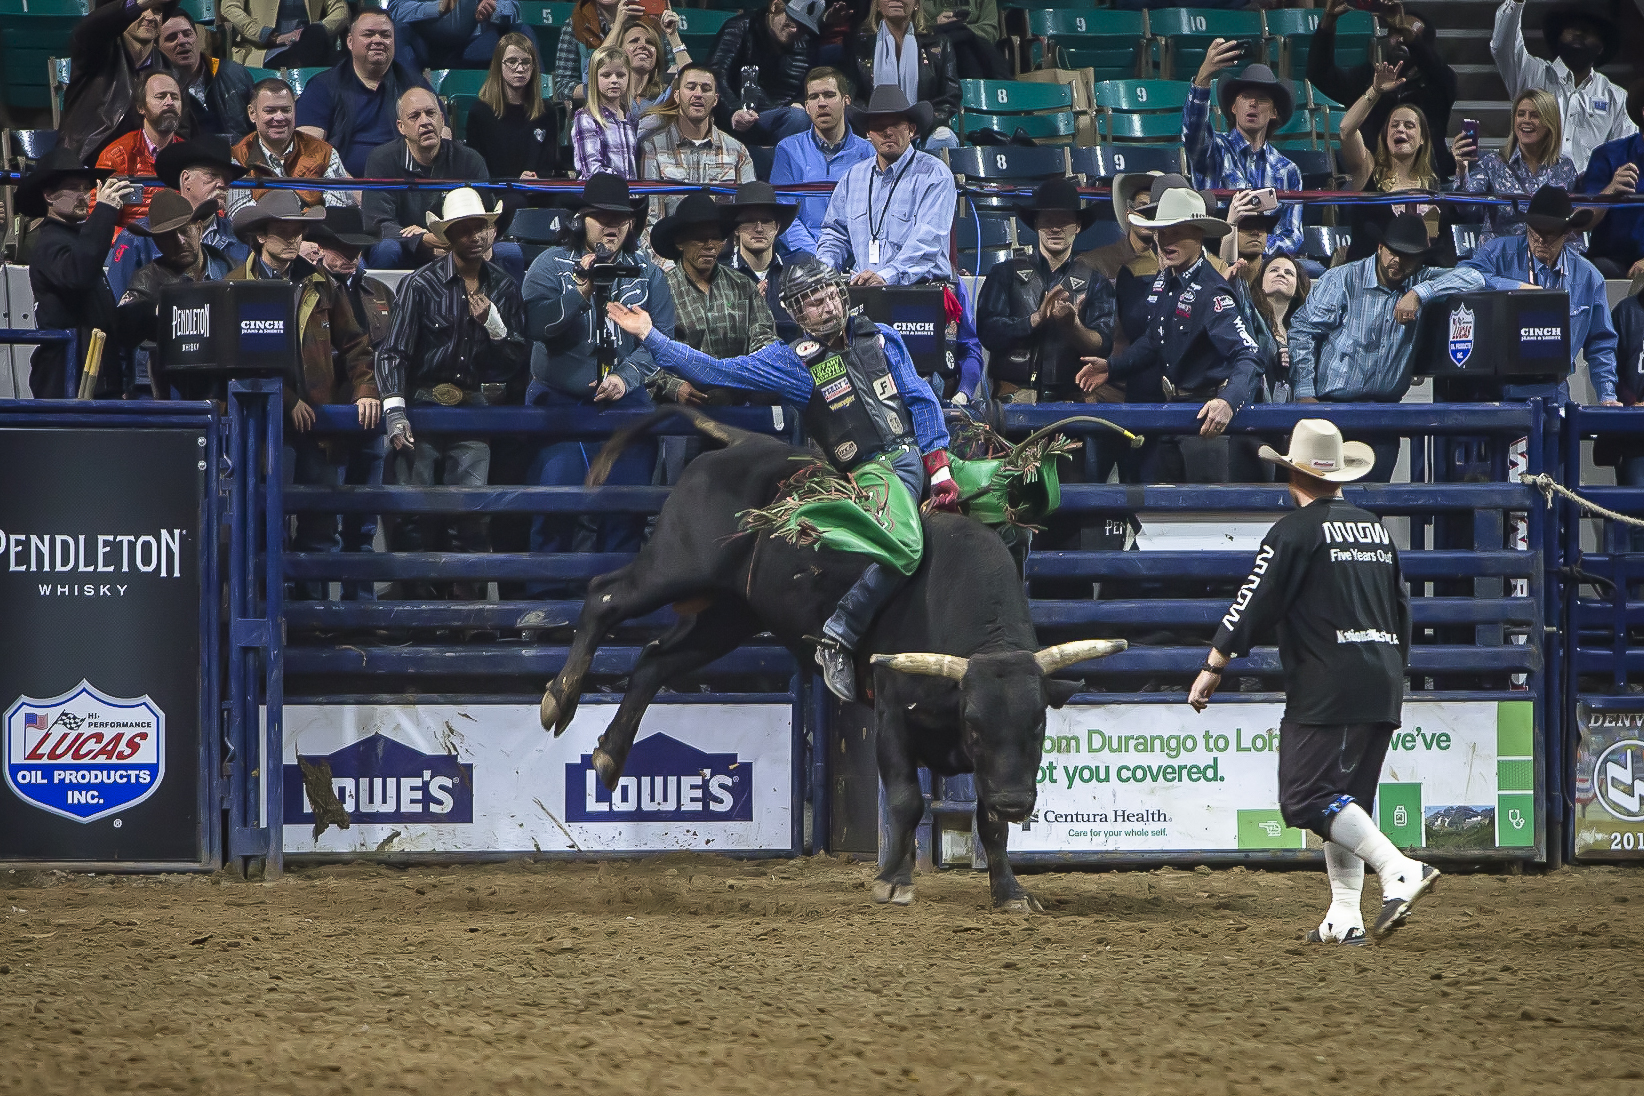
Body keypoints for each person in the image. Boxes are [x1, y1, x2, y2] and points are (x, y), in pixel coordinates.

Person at [604, 254, 957, 701]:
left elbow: (921, 399)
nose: (827, 306)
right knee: (906, 544)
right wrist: (652, 336)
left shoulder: (883, 337)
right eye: (813, 302)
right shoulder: (792, 362)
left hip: (919, 453)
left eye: (830, 294)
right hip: (871, 474)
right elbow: (717, 370)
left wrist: (940, 467)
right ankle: (840, 634)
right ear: (795, 314)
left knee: (1009, 488)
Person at [1190, 419, 1435, 944]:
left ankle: (1399, 870)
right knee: (1343, 803)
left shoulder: (1293, 533)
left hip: (1329, 684)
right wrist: (1393, 672)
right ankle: (1346, 914)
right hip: (1383, 677)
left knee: (1305, 798)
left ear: (1292, 475)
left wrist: (1214, 665)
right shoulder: (1374, 527)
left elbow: (1252, 601)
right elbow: (1402, 609)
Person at [377, 188, 529, 601]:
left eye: (481, 228)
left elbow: (515, 362)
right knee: (414, 517)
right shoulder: (420, 284)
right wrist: (395, 410)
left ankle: (470, 614)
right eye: (465, 230)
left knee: (472, 515)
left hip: (474, 406)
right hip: (423, 406)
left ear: (491, 232)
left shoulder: (505, 288)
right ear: (449, 237)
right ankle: (416, 610)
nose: (475, 237)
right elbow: (393, 352)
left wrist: (494, 325)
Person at [521, 173, 674, 570]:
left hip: (626, 401)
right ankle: (548, 608)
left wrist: (626, 378)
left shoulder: (650, 273)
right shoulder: (548, 265)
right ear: (580, 220)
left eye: (620, 218)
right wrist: (580, 290)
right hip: (560, 401)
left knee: (628, 509)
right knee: (556, 504)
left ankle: (614, 605)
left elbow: (660, 343)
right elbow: (537, 327)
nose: (611, 224)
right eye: (601, 216)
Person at [1074, 185, 1263, 484]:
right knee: (1155, 516)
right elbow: (1153, 339)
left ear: (1199, 235)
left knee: (1204, 519)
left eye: (1177, 232)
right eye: (1162, 231)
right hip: (1168, 417)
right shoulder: (1166, 280)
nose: (1165, 240)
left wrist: (1227, 401)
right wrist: (1111, 367)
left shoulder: (1213, 292)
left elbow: (1249, 355)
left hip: (1203, 423)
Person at [1288, 214, 1475, 480]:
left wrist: (1420, 294)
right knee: (1324, 503)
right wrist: (1305, 393)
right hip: (1331, 410)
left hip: (1383, 416)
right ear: (1380, 247)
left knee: (1373, 507)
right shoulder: (1342, 279)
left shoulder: (1421, 281)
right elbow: (1303, 331)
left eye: (1408, 255)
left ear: (1421, 258)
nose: (1398, 260)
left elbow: (1477, 277)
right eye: (1393, 252)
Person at [1431, 186, 1620, 406]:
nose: (1540, 239)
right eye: (1534, 231)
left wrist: (1607, 395)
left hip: (1554, 387)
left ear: (1567, 233)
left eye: (1549, 233)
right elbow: (1464, 274)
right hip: (1496, 387)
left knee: (1558, 434)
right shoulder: (1499, 252)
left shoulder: (1588, 277)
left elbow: (1601, 343)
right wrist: (1513, 287)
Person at [977, 177, 1114, 404]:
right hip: (1011, 400)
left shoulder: (1096, 282)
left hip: (1070, 403)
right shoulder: (1003, 274)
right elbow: (988, 333)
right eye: (1048, 219)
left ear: (1078, 226)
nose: (1055, 228)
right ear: (1036, 224)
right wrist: (1035, 319)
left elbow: (1104, 344)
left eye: (1065, 220)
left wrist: (1074, 327)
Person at [19, 150, 137, 400]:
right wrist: (104, 211)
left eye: (86, 189)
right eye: (74, 188)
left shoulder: (80, 239)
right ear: (49, 195)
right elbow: (78, 274)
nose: (84, 197)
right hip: (66, 379)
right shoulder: (49, 242)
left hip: (98, 377)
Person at [648, 189, 779, 408]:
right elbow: (648, 353)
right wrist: (673, 386)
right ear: (680, 242)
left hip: (739, 397)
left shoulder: (742, 286)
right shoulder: (661, 290)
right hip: (682, 405)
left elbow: (764, 337)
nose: (710, 245)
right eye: (700, 238)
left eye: (716, 238)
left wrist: (756, 371)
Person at [815, 86, 956, 286]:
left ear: (911, 129)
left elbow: (928, 241)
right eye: (879, 126)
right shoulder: (853, 178)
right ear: (868, 133)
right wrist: (823, 272)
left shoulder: (934, 175)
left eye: (895, 124)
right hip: (866, 289)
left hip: (919, 290)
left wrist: (888, 276)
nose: (887, 131)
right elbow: (835, 235)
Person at [107, 137, 253, 320]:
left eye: (227, 178)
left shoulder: (239, 237)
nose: (223, 184)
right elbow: (115, 313)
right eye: (213, 175)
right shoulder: (135, 239)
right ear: (186, 179)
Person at [1308, 0, 1455, 177]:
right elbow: (1319, 73)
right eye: (1395, 32)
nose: (1400, 39)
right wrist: (1328, 21)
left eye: (1407, 34)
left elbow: (1436, 69)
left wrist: (1410, 36)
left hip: (1427, 176)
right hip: (1373, 176)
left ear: (1425, 46)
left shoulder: (1439, 84)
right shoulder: (1367, 78)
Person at [114, 189, 235, 399]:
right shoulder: (146, 281)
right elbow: (122, 329)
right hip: (166, 394)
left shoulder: (231, 271)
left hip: (221, 389)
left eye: (184, 231)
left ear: (198, 228)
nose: (180, 242)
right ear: (157, 242)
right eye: (167, 237)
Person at [1184, 48, 1304, 258]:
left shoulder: (1288, 171)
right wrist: (1203, 78)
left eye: (1262, 98)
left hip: (1264, 264)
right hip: (1213, 259)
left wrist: (1255, 252)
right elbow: (1193, 133)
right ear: (1233, 107)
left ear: (1275, 112)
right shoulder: (1214, 150)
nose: (1253, 103)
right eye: (1245, 96)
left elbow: (1292, 233)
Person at [1492, 0, 1636, 173]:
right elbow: (1502, 47)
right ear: (1558, 36)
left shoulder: (1617, 98)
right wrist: (1516, 2)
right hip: (1533, 191)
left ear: (1601, 47)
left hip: (1591, 195)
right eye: (1571, 27)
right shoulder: (1532, 74)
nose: (1578, 33)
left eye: (1589, 30)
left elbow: (1623, 156)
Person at [361, 88, 494, 270]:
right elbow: (378, 224)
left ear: (441, 119)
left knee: (510, 253)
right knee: (386, 248)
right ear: (401, 127)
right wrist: (422, 239)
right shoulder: (381, 159)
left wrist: (454, 241)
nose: (425, 122)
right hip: (406, 247)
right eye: (415, 116)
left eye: (430, 113)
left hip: (459, 244)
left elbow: (486, 216)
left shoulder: (469, 160)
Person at [1337, 66, 1454, 265]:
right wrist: (1375, 90)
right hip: (1369, 276)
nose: (1400, 129)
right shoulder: (1368, 169)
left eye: (1409, 126)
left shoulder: (1432, 184)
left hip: (1420, 279)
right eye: (1394, 125)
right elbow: (1345, 130)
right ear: (1386, 135)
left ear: (1422, 138)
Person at [295, 10, 433, 177]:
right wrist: (352, 189)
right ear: (350, 42)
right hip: (342, 190)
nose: (377, 40)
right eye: (368, 34)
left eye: (385, 35)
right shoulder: (322, 87)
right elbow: (307, 151)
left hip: (406, 187)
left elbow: (443, 138)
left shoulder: (414, 85)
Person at [1452, 88, 1581, 246]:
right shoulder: (1492, 162)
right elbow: (1468, 209)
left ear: (1550, 123)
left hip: (1548, 254)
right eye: (1521, 114)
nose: (1526, 120)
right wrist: (1462, 169)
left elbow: (1572, 224)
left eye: (1535, 115)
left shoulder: (1564, 167)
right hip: (1501, 256)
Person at [772, 67, 874, 254]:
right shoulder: (787, 150)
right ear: (807, 106)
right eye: (813, 97)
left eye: (829, 95)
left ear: (846, 101)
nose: (821, 103)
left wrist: (839, 254)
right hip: (802, 257)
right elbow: (783, 215)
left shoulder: (869, 153)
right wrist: (819, 256)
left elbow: (872, 217)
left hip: (855, 257)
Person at [637, 64, 757, 223]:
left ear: (715, 99)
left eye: (706, 88)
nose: (698, 94)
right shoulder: (653, 148)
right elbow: (652, 219)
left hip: (722, 244)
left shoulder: (737, 151)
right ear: (677, 96)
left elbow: (747, 214)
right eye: (691, 87)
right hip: (672, 244)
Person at [57, 0, 169, 165]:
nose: (150, 17)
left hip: (147, 171)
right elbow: (88, 30)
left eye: (157, 10)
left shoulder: (168, 68)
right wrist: (136, 5)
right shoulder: (96, 52)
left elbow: (182, 129)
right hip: (88, 166)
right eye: (142, 9)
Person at [230, 78, 355, 217]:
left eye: (286, 110)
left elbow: (339, 209)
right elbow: (240, 213)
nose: (279, 117)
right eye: (270, 111)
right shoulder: (237, 157)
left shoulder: (324, 152)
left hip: (318, 233)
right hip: (262, 235)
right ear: (252, 113)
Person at [847, 0, 960, 149]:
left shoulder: (939, 43)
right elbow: (853, 96)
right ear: (877, 4)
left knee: (944, 139)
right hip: (876, 127)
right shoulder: (858, 45)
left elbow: (951, 95)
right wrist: (874, 123)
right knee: (862, 145)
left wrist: (921, 123)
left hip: (924, 129)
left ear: (917, 4)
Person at [706, 0, 821, 145]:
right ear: (775, 6)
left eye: (804, 27)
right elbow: (715, 75)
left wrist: (801, 101)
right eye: (791, 20)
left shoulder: (808, 41)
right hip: (743, 116)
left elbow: (812, 81)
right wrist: (733, 111)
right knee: (798, 118)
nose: (796, 30)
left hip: (787, 115)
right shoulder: (739, 28)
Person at [467, 33, 562, 183]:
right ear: (499, 65)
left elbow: (549, 163)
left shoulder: (547, 112)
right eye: (512, 61)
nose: (520, 68)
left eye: (526, 62)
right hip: (499, 189)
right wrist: (516, 181)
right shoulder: (480, 112)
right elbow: (478, 168)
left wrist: (536, 179)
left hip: (539, 188)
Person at [722, 181, 810, 343]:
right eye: (750, 220)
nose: (759, 228)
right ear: (736, 228)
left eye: (766, 221)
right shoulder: (720, 277)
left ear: (776, 227)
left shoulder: (797, 273)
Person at [95, 71, 185, 229]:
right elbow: (99, 222)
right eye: (161, 96)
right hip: (132, 248)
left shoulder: (190, 155)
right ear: (141, 107)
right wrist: (136, 244)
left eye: (175, 97)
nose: (170, 102)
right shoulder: (116, 155)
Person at [157, 11, 255, 142]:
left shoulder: (235, 73)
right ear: (157, 48)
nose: (182, 41)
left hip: (237, 157)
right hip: (192, 159)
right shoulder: (159, 89)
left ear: (196, 38)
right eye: (171, 38)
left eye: (187, 34)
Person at [309, 207, 397, 349]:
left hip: (374, 368)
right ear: (321, 248)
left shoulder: (380, 291)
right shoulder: (307, 290)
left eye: (356, 249)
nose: (350, 258)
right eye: (342, 250)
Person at [1580, 86, 1644, 280]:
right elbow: (1582, 222)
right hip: (1610, 263)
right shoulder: (1608, 155)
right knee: (1593, 271)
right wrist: (1610, 190)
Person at [388, 0, 534, 71]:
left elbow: (514, 7)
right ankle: (406, 105)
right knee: (398, 32)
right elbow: (396, 10)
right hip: (427, 46)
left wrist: (494, 9)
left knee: (523, 31)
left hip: (475, 45)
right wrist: (437, 8)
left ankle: (536, 116)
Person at [1248, 254, 1310, 404]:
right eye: (1273, 270)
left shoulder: (1305, 330)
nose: (1281, 273)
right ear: (1261, 282)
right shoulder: (1248, 320)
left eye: (1289, 273)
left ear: (1296, 289)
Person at [572, 46, 639, 179]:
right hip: (599, 195)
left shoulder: (631, 117)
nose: (614, 80)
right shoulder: (586, 117)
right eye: (606, 75)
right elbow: (592, 170)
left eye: (621, 75)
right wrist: (621, 185)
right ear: (594, 78)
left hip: (630, 195)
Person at [221, 0, 349, 67]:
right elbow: (229, 8)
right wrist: (269, 35)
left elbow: (341, 10)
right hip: (264, 49)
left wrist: (314, 31)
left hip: (310, 45)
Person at [1086, 172, 1159, 284]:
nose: (1147, 216)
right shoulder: (1094, 263)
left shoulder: (1173, 262)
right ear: (1128, 214)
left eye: (1154, 210)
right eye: (1142, 207)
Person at [556, 0, 627, 106]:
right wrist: (598, 88)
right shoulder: (576, 25)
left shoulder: (641, 24)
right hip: (592, 111)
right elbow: (563, 86)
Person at [919, 0, 1005, 81]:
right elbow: (916, 27)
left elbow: (990, 31)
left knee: (964, 46)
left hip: (976, 48)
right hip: (934, 48)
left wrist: (959, 28)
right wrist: (936, 24)